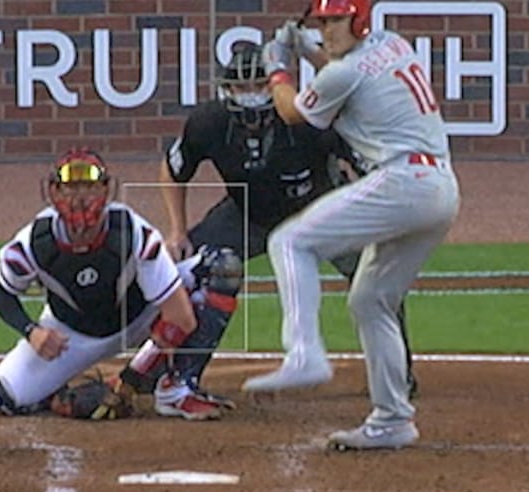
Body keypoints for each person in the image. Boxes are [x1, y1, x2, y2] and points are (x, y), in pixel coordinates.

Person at [137, 42, 417, 403]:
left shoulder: (310, 121)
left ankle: (397, 376)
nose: (250, 96)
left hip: (321, 209)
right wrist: (176, 230)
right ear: (226, 89)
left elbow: (365, 161)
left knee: (376, 274)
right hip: (248, 211)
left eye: (258, 85)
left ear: (275, 86)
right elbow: (173, 170)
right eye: (240, 87)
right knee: (186, 271)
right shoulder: (209, 122)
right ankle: (166, 370)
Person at [243, 0, 461, 451]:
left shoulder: (345, 71)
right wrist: (308, 51)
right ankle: (392, 419)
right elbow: (339, 75)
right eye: (322, 22)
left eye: (336, 20)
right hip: (438, 188)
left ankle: (303, 354)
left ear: (359, 21)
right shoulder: (392, 44)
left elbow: (293, 110)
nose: (328, 29)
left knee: (289, 241)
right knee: (370, 299)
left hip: (403, 181)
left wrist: (278, 67)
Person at [0, 147, 228, 421]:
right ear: (54, 193)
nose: (80, 197)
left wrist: (128, 380)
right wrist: (31, 331)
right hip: (70, 336)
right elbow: (0, 291)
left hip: (141, 316)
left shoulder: (133, 232)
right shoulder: (33, 242)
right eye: (71, 187)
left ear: (105, 190)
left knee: (222, 268)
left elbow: (181, 318)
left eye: (89, 187)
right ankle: (54, 395)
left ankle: (176, 391)